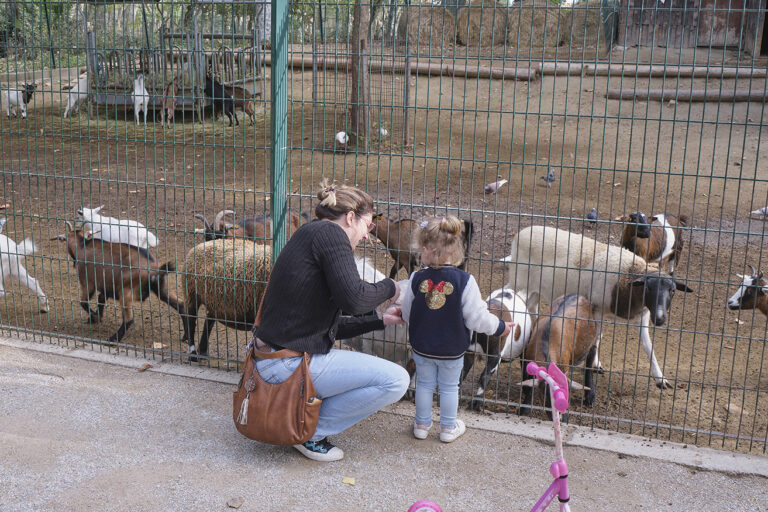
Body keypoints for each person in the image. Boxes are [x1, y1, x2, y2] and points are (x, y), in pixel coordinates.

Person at [252, 179, 410, 462]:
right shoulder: (331, 234)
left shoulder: (310, 234)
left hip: (274, 361)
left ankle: (303, 420)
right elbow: (355, 299)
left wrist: (380, 322)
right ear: (350, 217)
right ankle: (308, 432)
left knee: (386, 376)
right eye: (367, 225)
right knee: (396, 380)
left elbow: (323, 328)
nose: (366, 236)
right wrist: (391, 287)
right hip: (285, 368)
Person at [401, 216, 514, 443]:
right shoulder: (465, 281)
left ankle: (421, 425)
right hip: (452, 350)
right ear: (458, 250)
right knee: (449, 387)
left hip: (422, 347)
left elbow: (406, 312)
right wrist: (500, 327)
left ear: (425, 249)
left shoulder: (416, 277)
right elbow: (478, 319)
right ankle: (447, 428)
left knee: (423, 384)